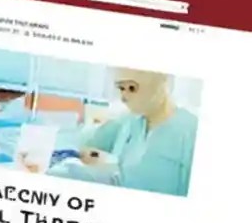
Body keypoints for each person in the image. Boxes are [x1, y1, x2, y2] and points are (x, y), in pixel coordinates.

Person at [74, 67, 198, 196]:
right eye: (121, 88)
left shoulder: (190, 132)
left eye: (132, 88)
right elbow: (86, 141)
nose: (123, 98)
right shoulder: (130, 120)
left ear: (162, 80)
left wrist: (112, 170)